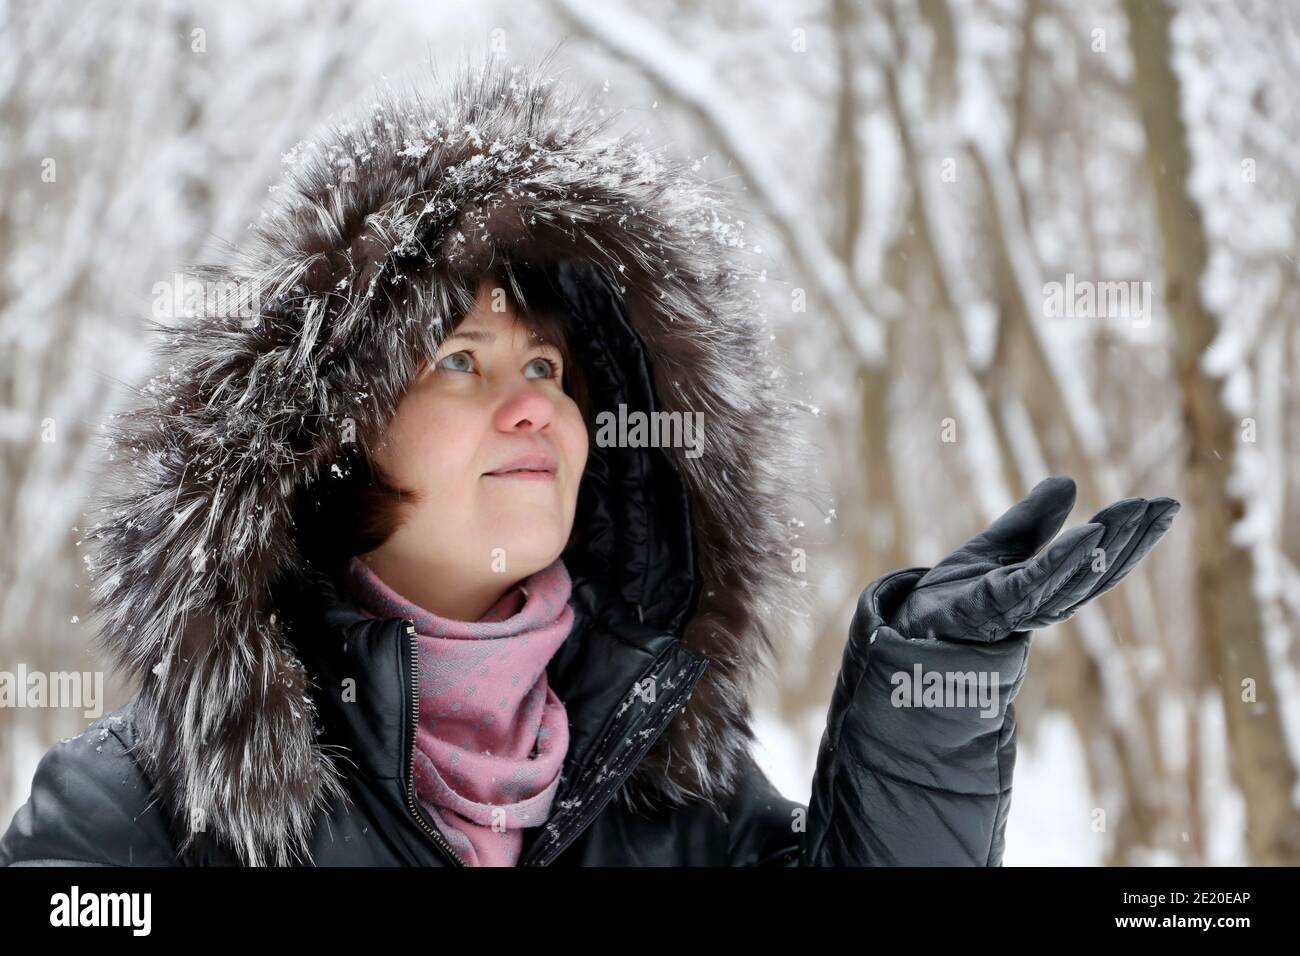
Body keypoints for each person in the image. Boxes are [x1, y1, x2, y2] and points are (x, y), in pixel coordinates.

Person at [0, 57, 1177, 867]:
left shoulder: (676, 796)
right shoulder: (138, 817)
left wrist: (936, 691)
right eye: (461, 360)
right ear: (332, 430)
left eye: (554, 371)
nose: (530, 407)